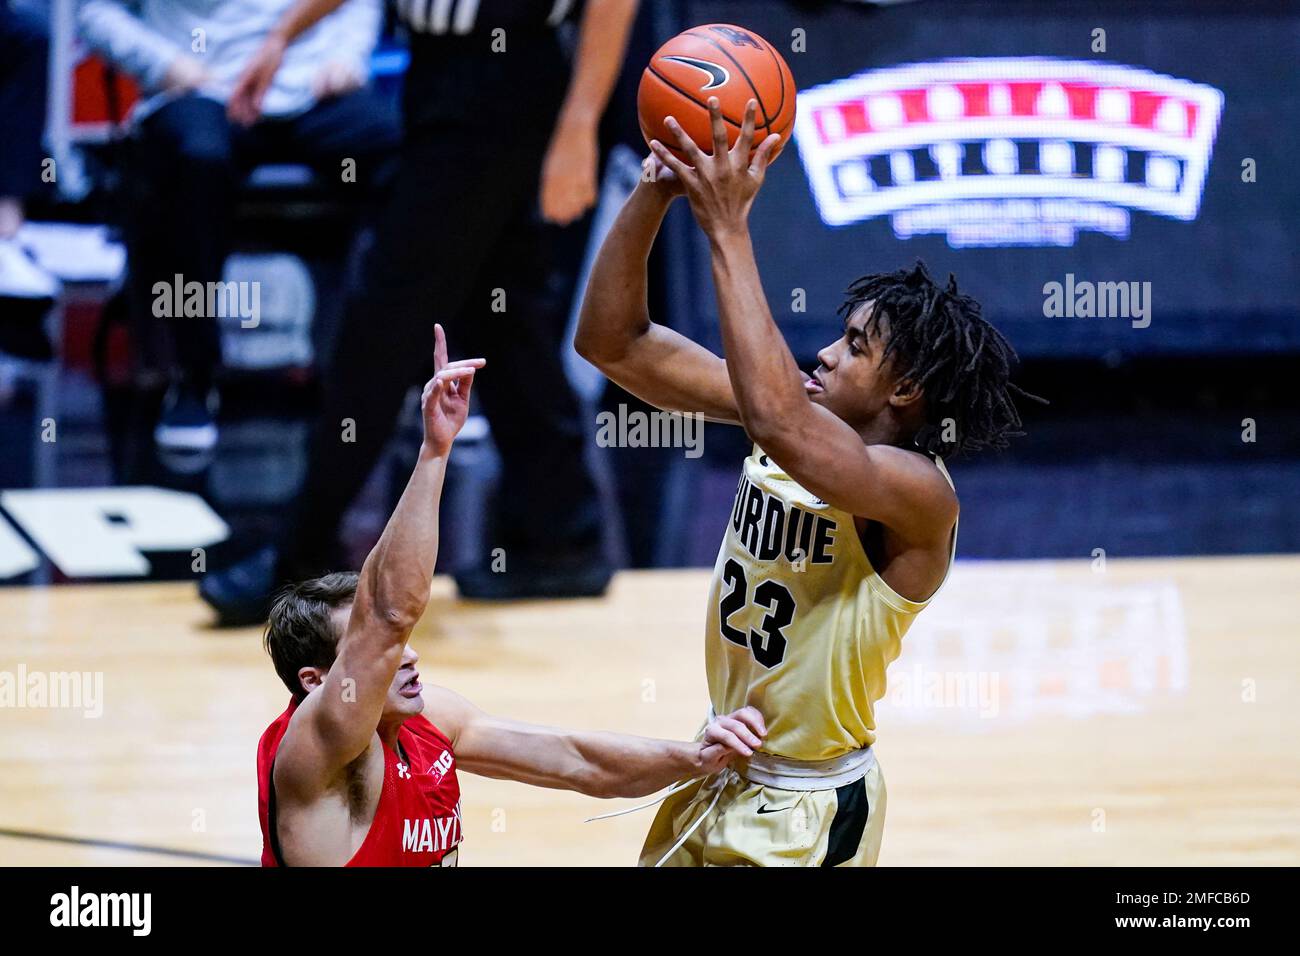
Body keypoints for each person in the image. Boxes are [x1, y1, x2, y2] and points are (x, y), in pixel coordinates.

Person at [575, 100, 1036, 866]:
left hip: (807, 809)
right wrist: (656, 192)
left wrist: (726, 226)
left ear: (906, 390)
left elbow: (781, 425)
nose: (822, 354)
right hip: (717, 761)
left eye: (854, 346)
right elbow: (611, 342)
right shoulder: (787, 408)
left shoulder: (919, 494)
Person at [257, 323, 766, 866]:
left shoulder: (429, 719)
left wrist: (693, 757)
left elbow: (575, 761)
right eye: (368, 653)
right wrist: (434, 453)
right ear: (315, 683)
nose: (408, 655)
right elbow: (387, 614)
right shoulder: (317, 751)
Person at [201, 0, 639, 618]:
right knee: (506, 313)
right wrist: (283, 34)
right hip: (437, 72)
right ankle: (561, 536)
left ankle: (299, 555)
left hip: (505, 77)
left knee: (383, 319)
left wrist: (581, 124)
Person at [78, 0, 397, 464]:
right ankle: (192, 376)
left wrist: (348, 57)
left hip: (310, 89)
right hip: (200, 88)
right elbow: (94, 11)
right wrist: (166, 65)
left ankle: (391, 368)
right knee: (197, 161)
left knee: (411, 151)